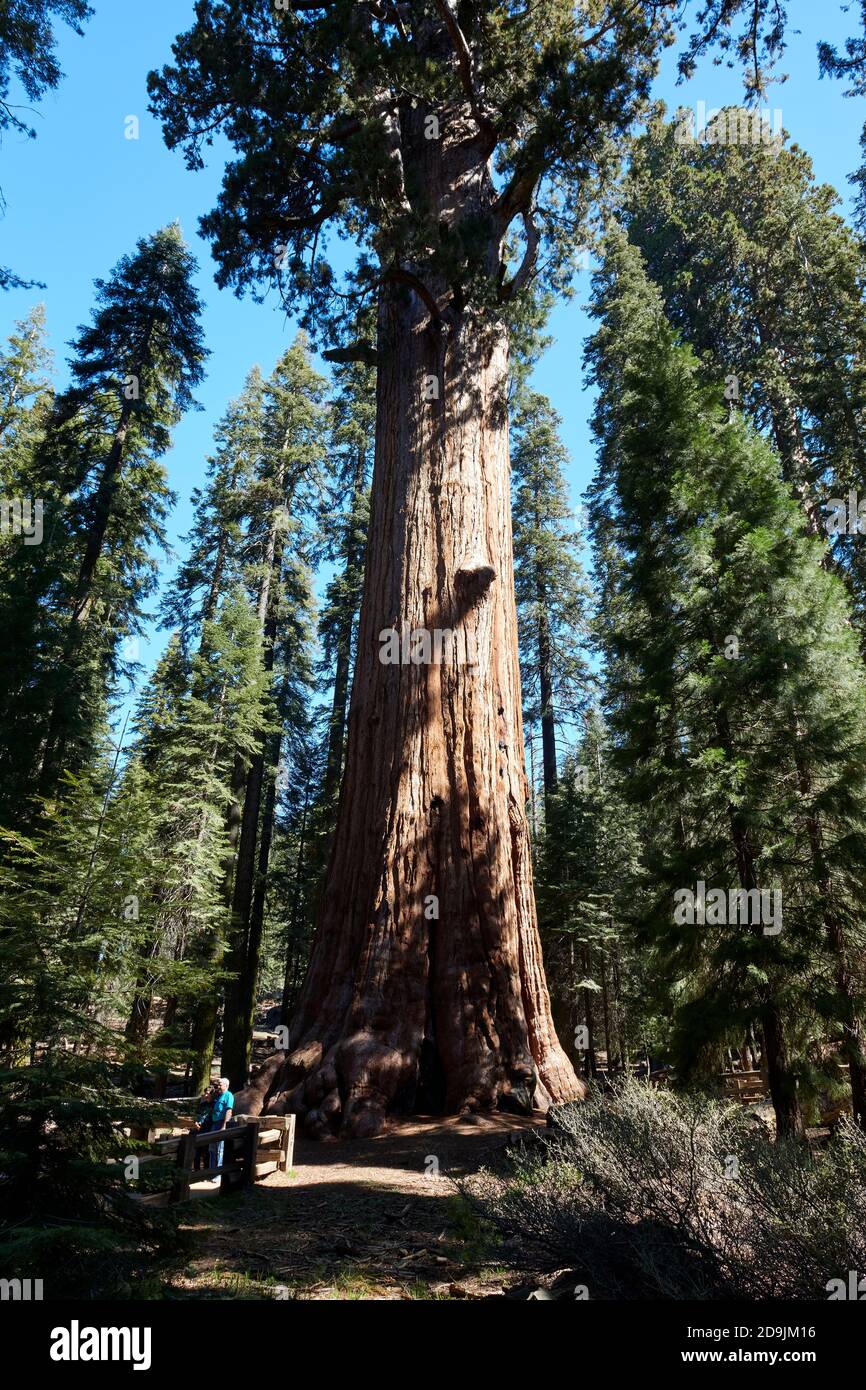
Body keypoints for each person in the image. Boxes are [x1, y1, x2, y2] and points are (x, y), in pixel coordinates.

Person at [208, 1077, 235, 1179]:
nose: (218, 1086)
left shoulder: (228, 1095)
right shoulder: (218, 1096)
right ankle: (211, 1173)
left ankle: (218, 1175)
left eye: (220, 1085)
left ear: (226, 1086)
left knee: (220, 1149)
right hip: (214, 1124)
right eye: (218, 1084)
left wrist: (224, 1125)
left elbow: (229, 1111)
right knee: (212, 1149)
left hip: (221, 1124)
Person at [191, 1082, 218, 1172]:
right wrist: (196, 1123)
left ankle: (206, 1171)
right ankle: (196, 1170)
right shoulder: (202, 1105)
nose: (206, 1095)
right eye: (205, 1093)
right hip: (198, 1130)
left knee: (206, 1151)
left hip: (208, 1129)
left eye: (208, 1093)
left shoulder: (215, 1105)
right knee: (196, 1152)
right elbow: (196, 1115)